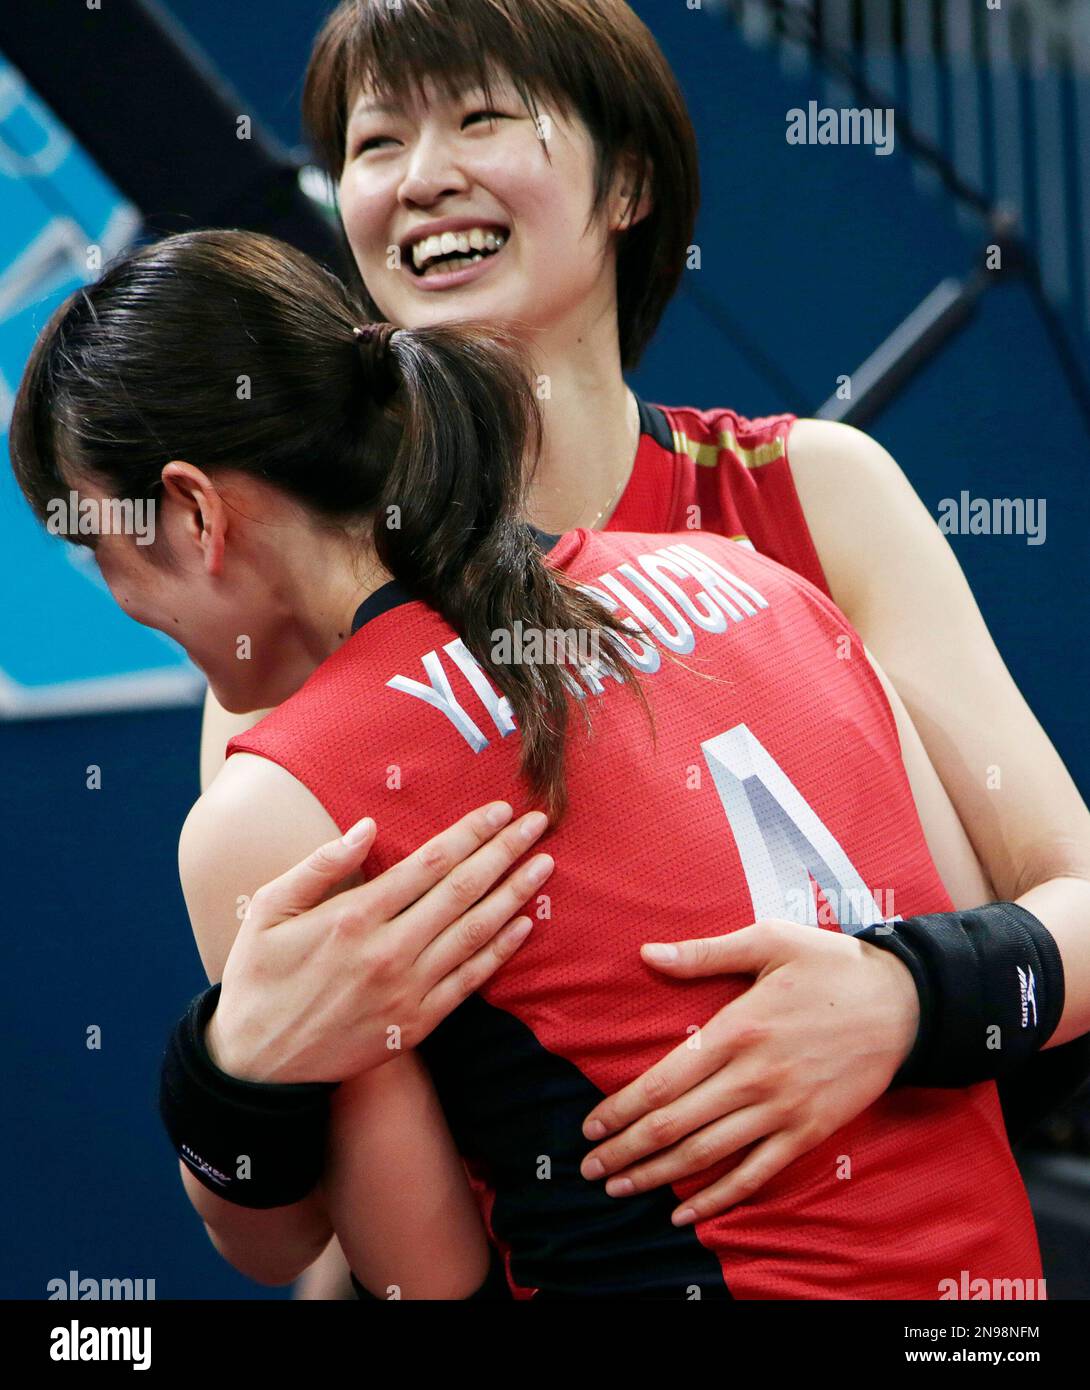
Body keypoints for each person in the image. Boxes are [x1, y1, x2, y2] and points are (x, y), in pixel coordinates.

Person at [10, 227, 1080, 1297]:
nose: (116, 596)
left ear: (195, 512)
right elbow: (980, 903)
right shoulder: (756, 577)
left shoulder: (283, 806)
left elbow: (417, 1280)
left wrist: (225, 1080)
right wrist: (902, 1000)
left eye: (93, 547)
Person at [200, 0, 1090, 1247]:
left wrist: (901, 995)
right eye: (375, 143)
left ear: (627, 183)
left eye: (482, 119)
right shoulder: (301, 636)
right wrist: (232, 1073)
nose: (423, 179)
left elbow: (1077, 896)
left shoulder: (810, 492)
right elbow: (284, 1240)